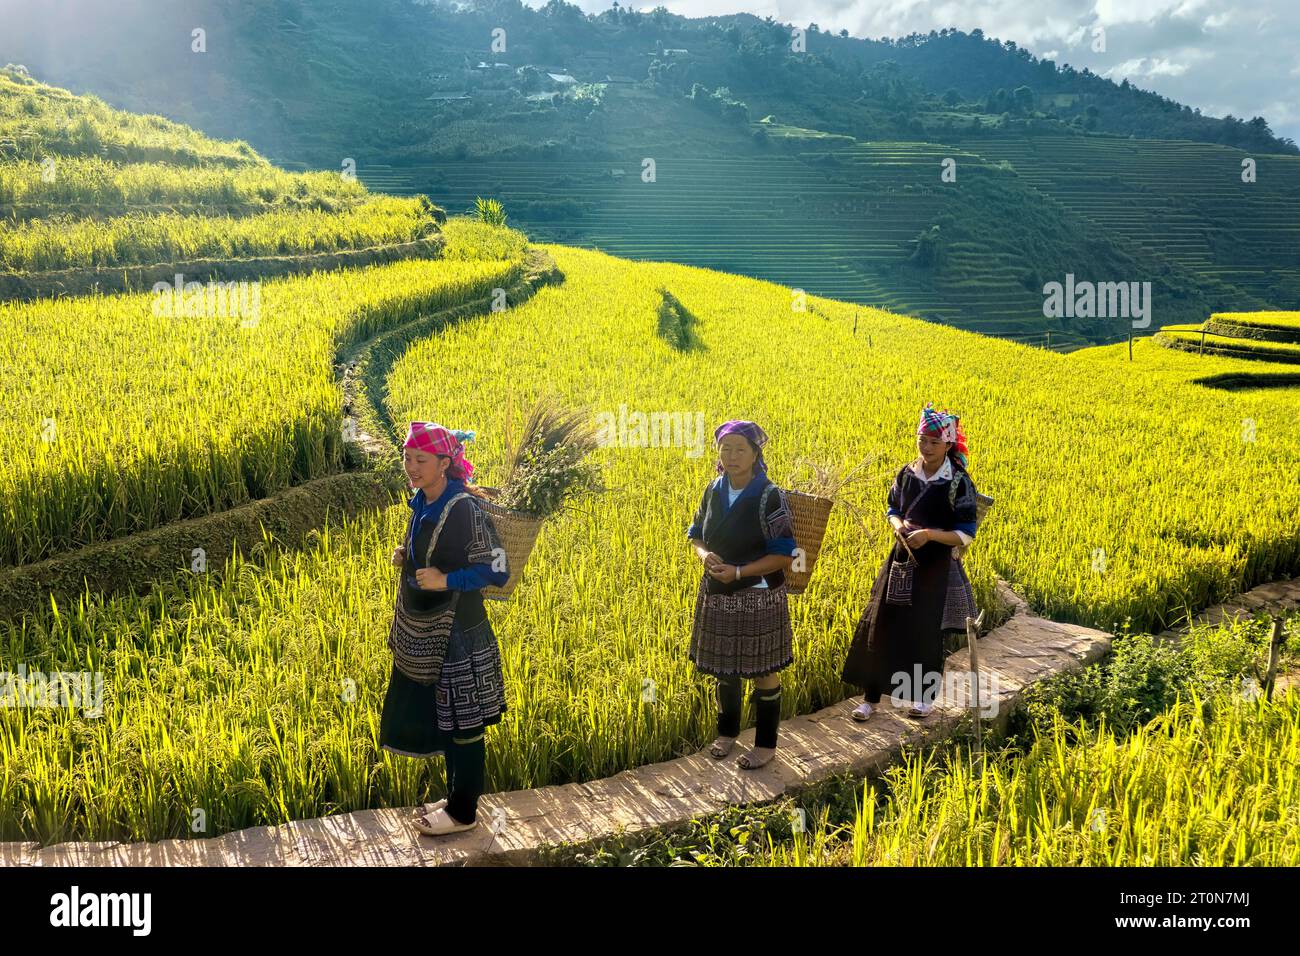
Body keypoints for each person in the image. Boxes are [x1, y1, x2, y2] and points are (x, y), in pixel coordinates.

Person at [379, 421, 510, 836]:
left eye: (420, 460)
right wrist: (409, 556)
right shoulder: (422, 501)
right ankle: (456, 799)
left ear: (445, 463)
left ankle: (464, 813)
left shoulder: (463, 509)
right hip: (433, 633)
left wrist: (447, 580)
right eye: (407, 458)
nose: (411, 467)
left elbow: (498, 570)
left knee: (466, 728)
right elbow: (435, 552)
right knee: (450, 721)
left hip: (460, 635)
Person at [841, 402, 979, 722]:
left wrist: (930, 535)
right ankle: (870, 698)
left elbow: (966, 533)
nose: (926, 447)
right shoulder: (906, 473)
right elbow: (892, 508)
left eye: (934, 442)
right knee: (881, 622)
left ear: (948, 444)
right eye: (922, 440)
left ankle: (923, 697)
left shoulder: (959, 482)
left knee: (926, 629)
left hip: (935, 567)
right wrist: (898, 526)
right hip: (901, 558)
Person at [686, 420, 797, 770]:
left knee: (763, 670)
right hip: (718, 590)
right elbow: (695, 534)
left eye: (740, 449)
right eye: (725, 448)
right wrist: (705, 556)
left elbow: (783, 554)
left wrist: (738, 571)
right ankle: (727, 733)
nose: (732, 456)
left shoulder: (769, 495)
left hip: (758, 594)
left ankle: (765, 745)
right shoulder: (713, 489)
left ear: (755, 455)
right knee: (725, 667)